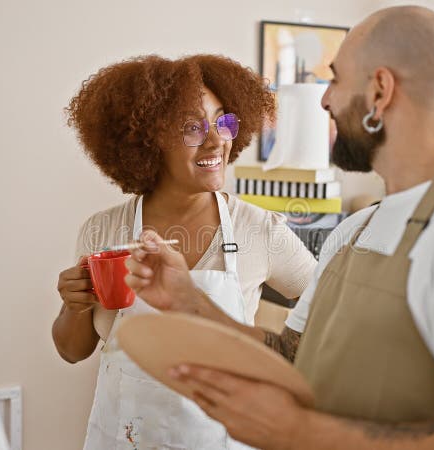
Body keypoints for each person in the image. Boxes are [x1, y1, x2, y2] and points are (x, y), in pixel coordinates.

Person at [123, 7, 434, 450]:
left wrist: (296, 433)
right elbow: (293, 357)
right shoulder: (357, 229)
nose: (324, 99)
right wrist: (189, 301)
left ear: (379, 92)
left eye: (336, 79)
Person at [52, 54, 316, 449]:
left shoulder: (257, 229)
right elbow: (73, 351)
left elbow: (332, 310)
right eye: (192, 127)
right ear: (146, 138)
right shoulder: (104, 231)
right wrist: (73, 306)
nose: (216, 141)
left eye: (223, 121)